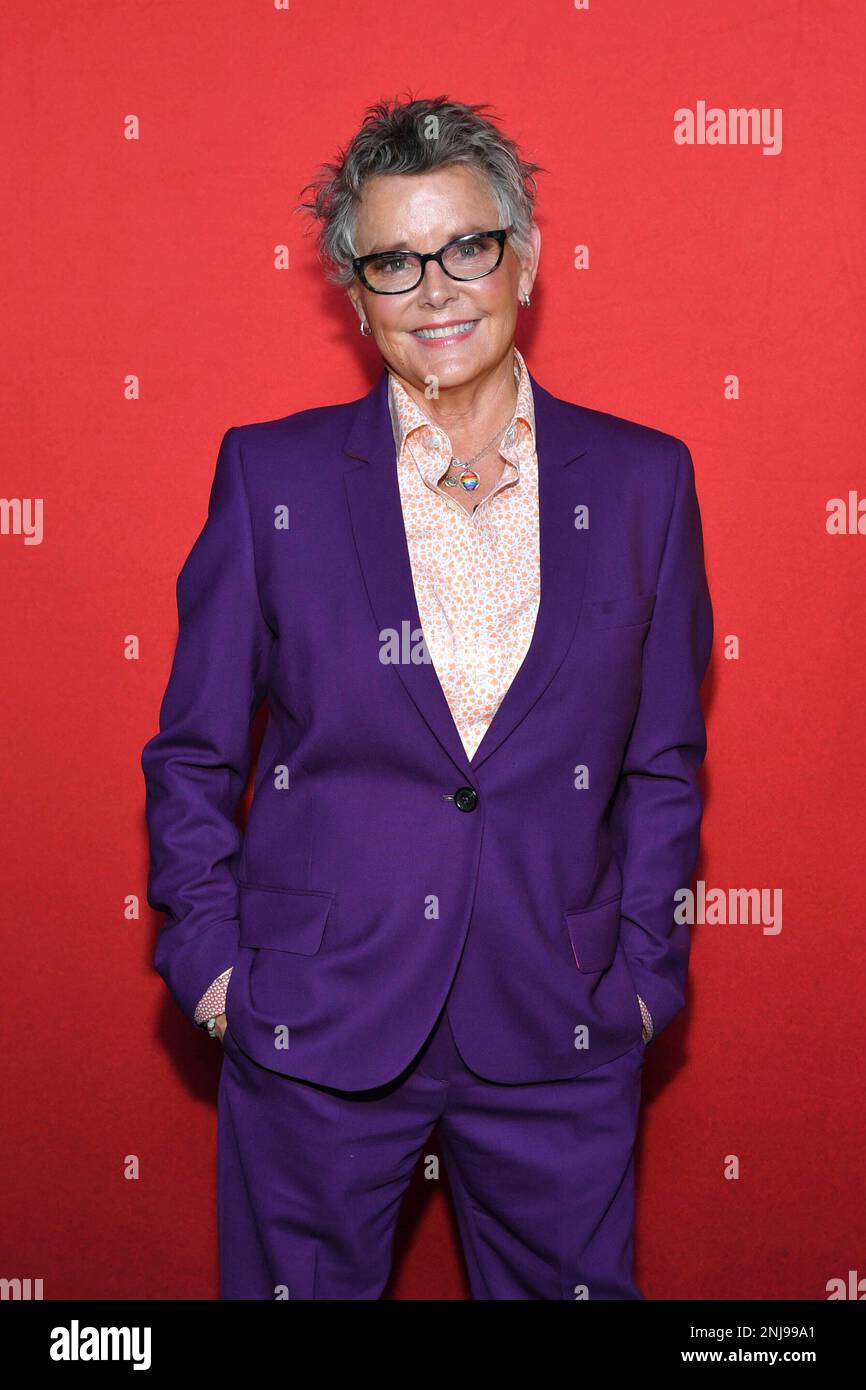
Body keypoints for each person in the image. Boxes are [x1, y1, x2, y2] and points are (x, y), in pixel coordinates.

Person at [141, 94, 713, 1300]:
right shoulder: (271, 475)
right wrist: (212, 971)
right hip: (314, 1022)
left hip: (556, 1024)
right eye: (394, 262)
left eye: (467, 247)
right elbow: (192, 753)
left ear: (525, 259)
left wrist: (643, 982)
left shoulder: (646, 481)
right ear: (357, 296)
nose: (436, 290)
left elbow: (661, 764)